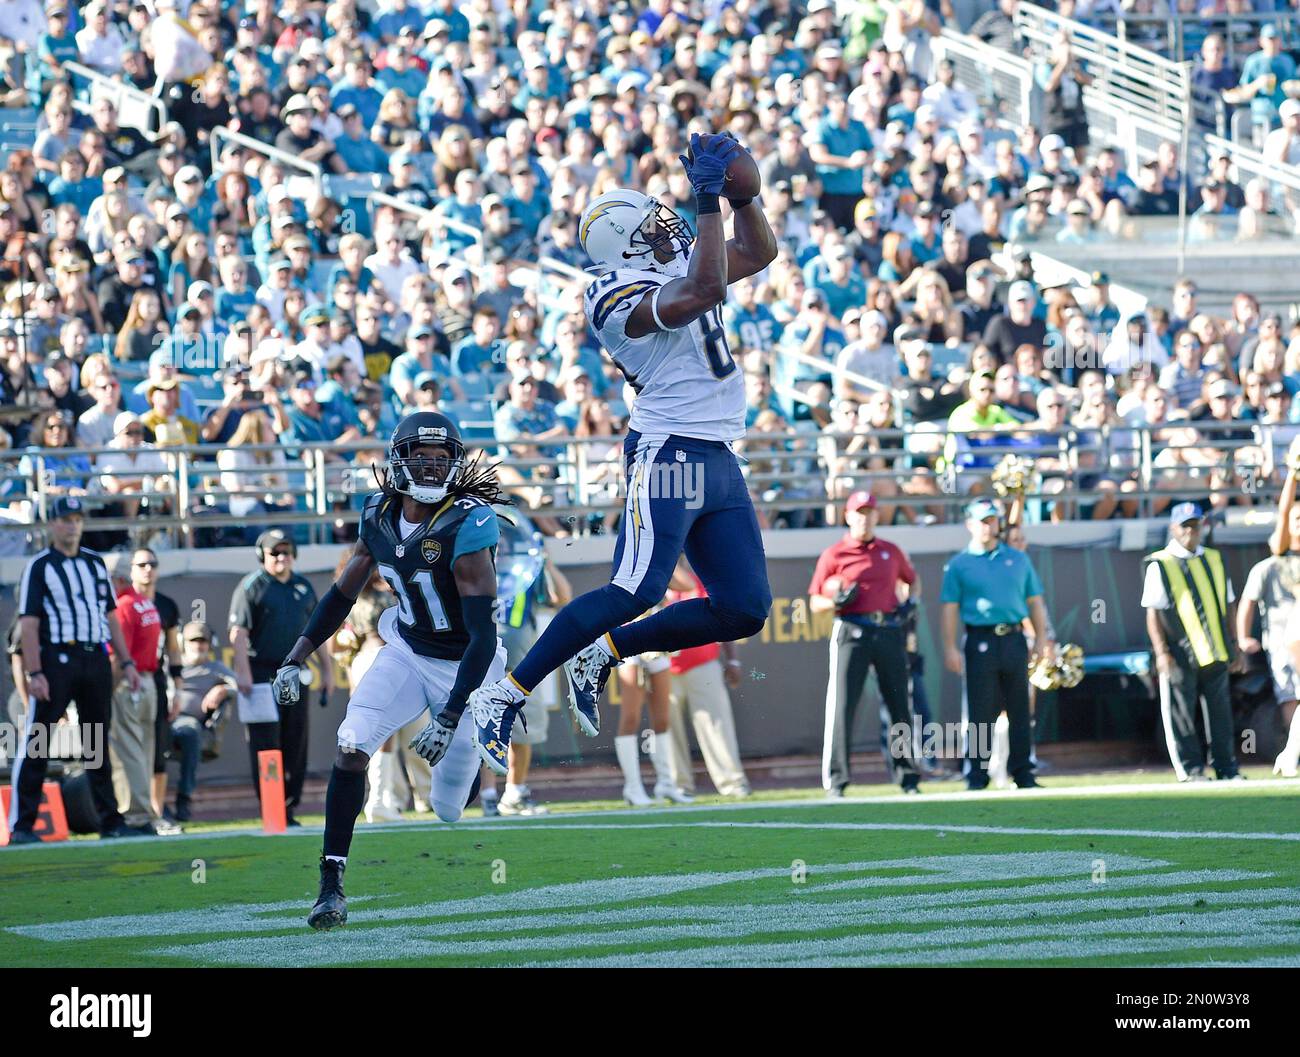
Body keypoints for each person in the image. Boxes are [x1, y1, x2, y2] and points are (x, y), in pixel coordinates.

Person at [467, 133, 778, 776]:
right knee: (636, 587)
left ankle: (605, 652)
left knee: (744, 607)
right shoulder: (610, 295)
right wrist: (710, 200)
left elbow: (759, 251)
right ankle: (506, 695)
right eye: (652, 226)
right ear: (627, 244)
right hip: (667, 452)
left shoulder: (676, 253)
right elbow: (703, 292)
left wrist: (742, 197)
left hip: (717, 450)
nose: (669, 228)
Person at [271, 412, 510, 930]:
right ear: (399, 459)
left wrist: (448, 715)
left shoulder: (467, 520)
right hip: (405, 649)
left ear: (456, 461)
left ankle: (486, 729)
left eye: (441, 459)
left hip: (467, 668)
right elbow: (342, 594)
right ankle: (331, 884)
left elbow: (483, 636)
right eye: (420, 458)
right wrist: (297, 654)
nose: (430, 468)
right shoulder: (378, 512)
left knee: (447, 806)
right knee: (351, 742)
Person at [8, 497, 141, 844]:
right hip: (57, 660)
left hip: (94, 658)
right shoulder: (40, 567)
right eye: (65, 519)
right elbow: (29, 624)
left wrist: (126, 662)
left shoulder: (95, 564)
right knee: (38, 740)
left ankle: (110, 821)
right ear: (52, 525)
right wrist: (35, 673)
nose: (72, 525)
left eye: (77, 519)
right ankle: (22, 825)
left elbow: (111, 617)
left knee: (96, 741)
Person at [808, 491, 921, 796]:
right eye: (859, 512)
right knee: (843, 706)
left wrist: (910, 602)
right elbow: (815, 601)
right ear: (847, 516)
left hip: (887, 629)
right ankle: (837, 780)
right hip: (851, 629)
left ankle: (907, 777)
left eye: (869, 511)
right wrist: (835, 601)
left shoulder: (891, 550)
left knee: (899, 704)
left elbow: (912, 580)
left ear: (877, 515)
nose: (864, 517)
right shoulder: (835, 554)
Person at [940, 499, 1054, 791]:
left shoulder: (1018, 559)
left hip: (1015, 639)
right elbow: (949, 608)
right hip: (980, 639)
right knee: (980, 711)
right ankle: (976, 776)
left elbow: (1035, 602)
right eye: (982, 521)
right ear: (969, 524)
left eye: (991, 520)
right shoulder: (959, 565)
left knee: (1019, 708)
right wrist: (950, 647)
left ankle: (1023, 774)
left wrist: (1041, 638)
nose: (988, 527)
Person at [228, 529, 334, 827]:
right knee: (267, 742)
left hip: (295, 671)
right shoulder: (252, 586)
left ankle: (289, 807)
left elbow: (318, 633)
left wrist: (327, 669)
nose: (281, 558)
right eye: (275, 552)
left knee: (296, 739)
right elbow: (238, 634)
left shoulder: (302, 586)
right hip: (262, 672)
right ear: (263, 555)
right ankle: (272, 807)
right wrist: (244, 673)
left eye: (286, 552)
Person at [1142, 503, 1241, 782]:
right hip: (1179, 651)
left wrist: (1235, 643)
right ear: (1173, 528)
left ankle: (1226, 768)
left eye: (1196, 525)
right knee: (1181, 714)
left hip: (1216, 649)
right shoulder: (1160, 563)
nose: (1191, 531)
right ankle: (1191, 769)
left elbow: (1228, 602)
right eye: (1185, 525)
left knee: (1221, 712)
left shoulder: (1214, 559)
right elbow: (1153, 612)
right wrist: (1161, 652)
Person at [663, 558, 751, 799]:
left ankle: (733, 783)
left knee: (716, 725)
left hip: (702, 663)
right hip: (663, 667)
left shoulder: (701, 581)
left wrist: (732, 659)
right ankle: (679, 786)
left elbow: (724, 621)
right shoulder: (651, 585)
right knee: (668, 730)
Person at [108, 552, 178, 836]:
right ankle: (147, 810)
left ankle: (135, 814)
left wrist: (107, 690)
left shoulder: (124, 606)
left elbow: (119, 655)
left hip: (128, 683)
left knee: (128, 751)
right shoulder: (145, 604)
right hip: (148, 682)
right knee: (144, 751)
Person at [170, 622, 236, 822]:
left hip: (190, 724)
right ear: (183, 642)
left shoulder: (216, 667)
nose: (198, 646)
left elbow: (241, 686)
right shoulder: (174, 666)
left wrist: (222, 689)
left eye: (203, 641)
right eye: (193, 641)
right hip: (164, 719)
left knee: (190, 732)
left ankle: (184, 799)